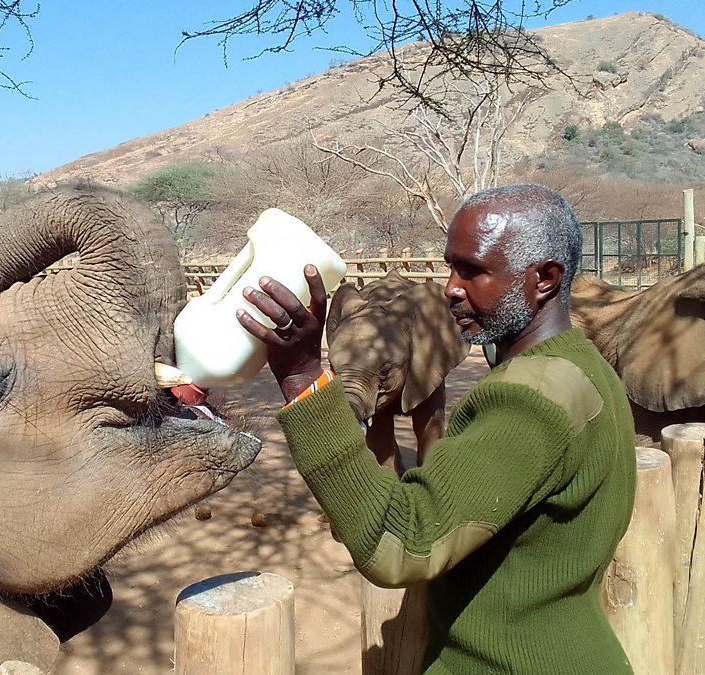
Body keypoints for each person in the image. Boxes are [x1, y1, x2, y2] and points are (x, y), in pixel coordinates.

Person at [236, 184, 637, 674]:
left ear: (545, 280)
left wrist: (303, 380)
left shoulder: (529, 399)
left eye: (473, 270)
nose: (450, 286)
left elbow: (400, 543)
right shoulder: (582, 367)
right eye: (450, 266)